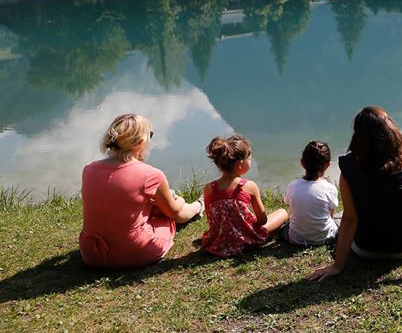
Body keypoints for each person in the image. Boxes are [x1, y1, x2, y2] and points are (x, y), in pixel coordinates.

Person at [307, 107, 402, 282]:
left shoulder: (349, 166)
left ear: (358, 136)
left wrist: (337, 266)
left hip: (365, 250)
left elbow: (350, 219)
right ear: (390, 131)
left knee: (341, 217)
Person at [79, 114, 203, 269]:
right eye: (150, 135)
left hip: (92, 253)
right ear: (140, 142)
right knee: (166, 214)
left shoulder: (89, 169)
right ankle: (199, 205)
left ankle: (197, 205)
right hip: (132, 253)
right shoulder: (151, 174)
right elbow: (174, 212)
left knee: (151, 207)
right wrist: (180, 200)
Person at [201, 134, 288, 257]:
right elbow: (262, 221)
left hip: (218, 243)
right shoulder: (249, 186)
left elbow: (211, 219)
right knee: (282, 212)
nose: (251, 160)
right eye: (249, 158)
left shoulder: (208, 188)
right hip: (246, 241)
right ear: (240, 164)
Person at [280, 141, 339, 246]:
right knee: (339, 220)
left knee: (285, 226)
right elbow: (331, 214)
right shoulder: (330, 188)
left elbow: (291, 209)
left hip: (295, 239)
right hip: (324, 239)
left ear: (302, 163)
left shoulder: (293, 185)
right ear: (328, 165)